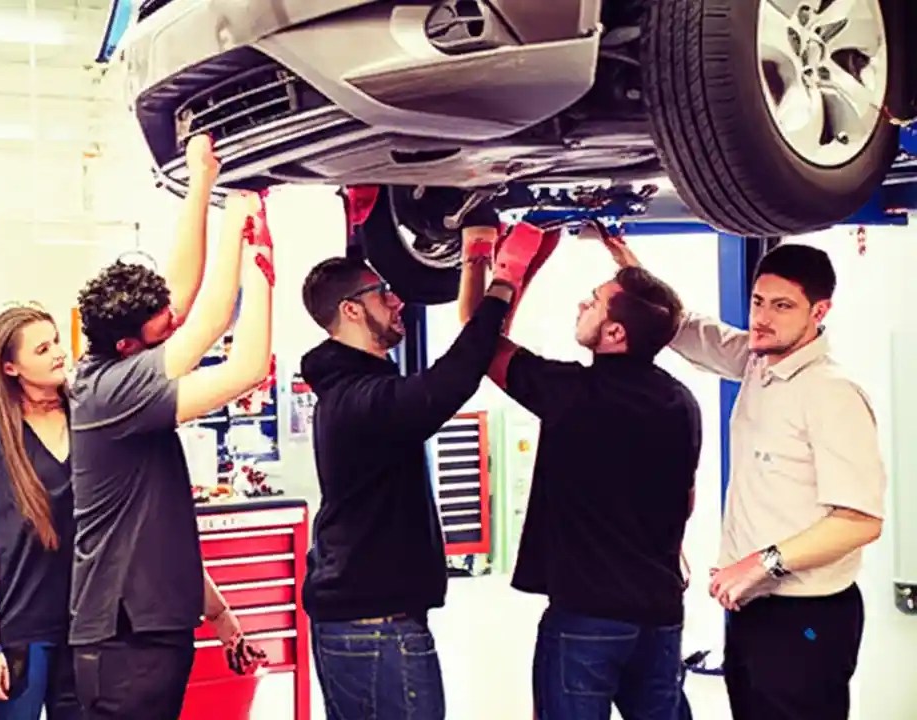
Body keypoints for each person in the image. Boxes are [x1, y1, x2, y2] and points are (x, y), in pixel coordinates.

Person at [614, 239, 885, 720]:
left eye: (782, 306)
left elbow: (860, 521)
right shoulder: (761, 362)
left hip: (807, 616)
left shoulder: (831, 393)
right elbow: (690, 329)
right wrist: (629, 268)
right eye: (759, 301)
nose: (762, 317)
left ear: (819, 311)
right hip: (753, 608)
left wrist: (762, 563)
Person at [297, 220, 549, 719]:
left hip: (365, 620)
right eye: (383, 293)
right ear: (350, 310)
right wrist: (504, 280)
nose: (398, 302)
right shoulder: (356, 400)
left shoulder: (353, 385)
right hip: (375, 626)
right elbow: (447, 384)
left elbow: (448, 371)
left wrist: (475, 263)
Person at [459, 226, 702, 720]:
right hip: (658, 617)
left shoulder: (569, 393)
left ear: (615, 334)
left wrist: (487, 261)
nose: (580, 306)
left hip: (586, 619)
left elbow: (478, 338)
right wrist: (619, 253)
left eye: (593, 302)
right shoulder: (682, 403)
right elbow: (688, 497)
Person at [67, 164, 272, 718]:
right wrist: (251, 244)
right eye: (163, 327)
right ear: (132, 345)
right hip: (126, 642)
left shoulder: (115, 363)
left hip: (139, 632)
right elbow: (239, 357)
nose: (174, 323)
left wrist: (205, 177)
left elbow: (181, 300)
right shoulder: (111, 391)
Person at [0, 304, 80, 720]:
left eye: (56, 342)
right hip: (20, 631)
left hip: (85, 625)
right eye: (42, 348)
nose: (58, 353)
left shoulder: (89, 423)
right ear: (10, 367)